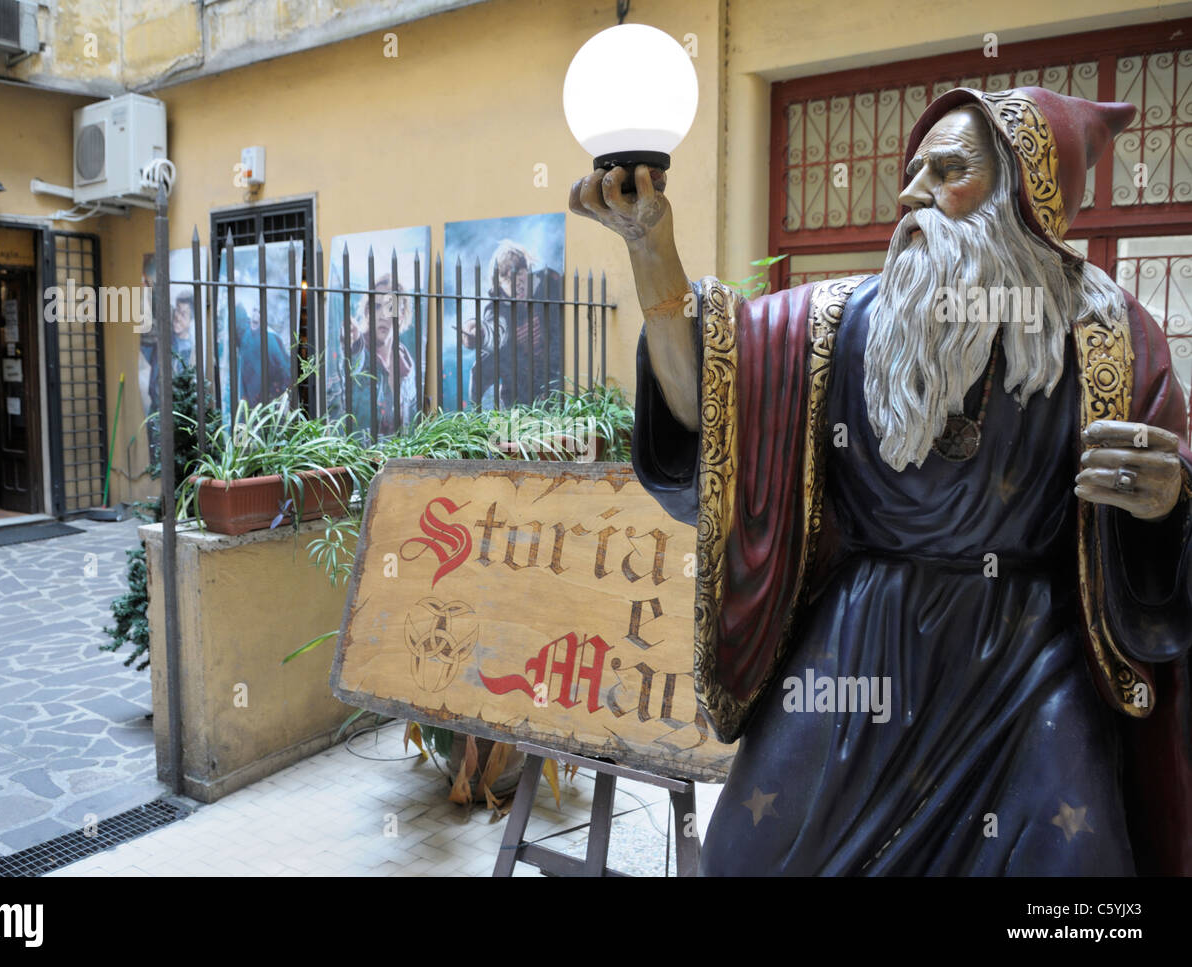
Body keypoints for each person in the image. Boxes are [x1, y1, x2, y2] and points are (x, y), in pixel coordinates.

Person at [571, 86, 1192, 875]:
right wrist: (650, 251)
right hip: (863, 645)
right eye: (911, 170)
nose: (910, 192)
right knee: (750, 851)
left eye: (945, 169)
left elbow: (1169, 505)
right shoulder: (843, 323)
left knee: (1077, 863)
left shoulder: (1113, 341)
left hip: (1031, 660)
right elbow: (713, 412)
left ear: (1025, 197)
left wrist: (1166, 500)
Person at [462, 241, 563, 409]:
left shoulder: (548, 283)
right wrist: (479, 333)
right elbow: (494, 329)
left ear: (528, 270)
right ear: (499, 283)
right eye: (508, 278)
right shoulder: (497, 308)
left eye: (520, 274)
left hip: (555, 384)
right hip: (519, 397)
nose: (517, 283)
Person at [346, 274, 417, 437]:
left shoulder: (406, 364)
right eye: (376, 307)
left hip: (399, 456)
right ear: (367, 312)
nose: (383, 315)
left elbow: (412, 422)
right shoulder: (356, 351)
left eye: (390, 308)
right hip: (361, 458)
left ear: (402, 315)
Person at [236, 301, 292, 406]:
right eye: (254, 310)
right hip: (247, 401)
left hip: (265, 402)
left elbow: (285, 371)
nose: (256, 315)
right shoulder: (246, 335)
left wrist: (275, 393)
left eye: (260, 312)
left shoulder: (271, 340)